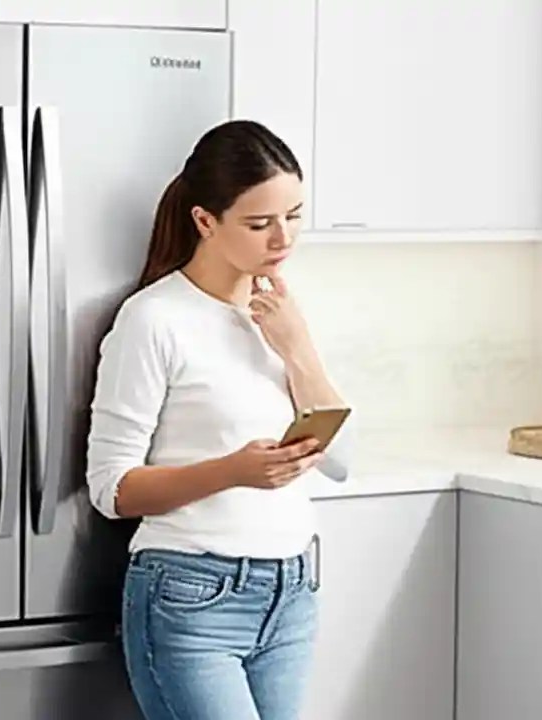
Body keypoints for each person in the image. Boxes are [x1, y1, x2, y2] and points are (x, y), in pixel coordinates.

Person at [84, 119, 353, 720]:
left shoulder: (285, 311)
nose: (282, 237)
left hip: (292, 591)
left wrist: (297, 347)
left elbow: (340, 459)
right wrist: (233, 471)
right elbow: (113, 489)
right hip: (190, 594)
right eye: (259, 223)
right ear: (206, 221)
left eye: (294, 215)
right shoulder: (154, 320)